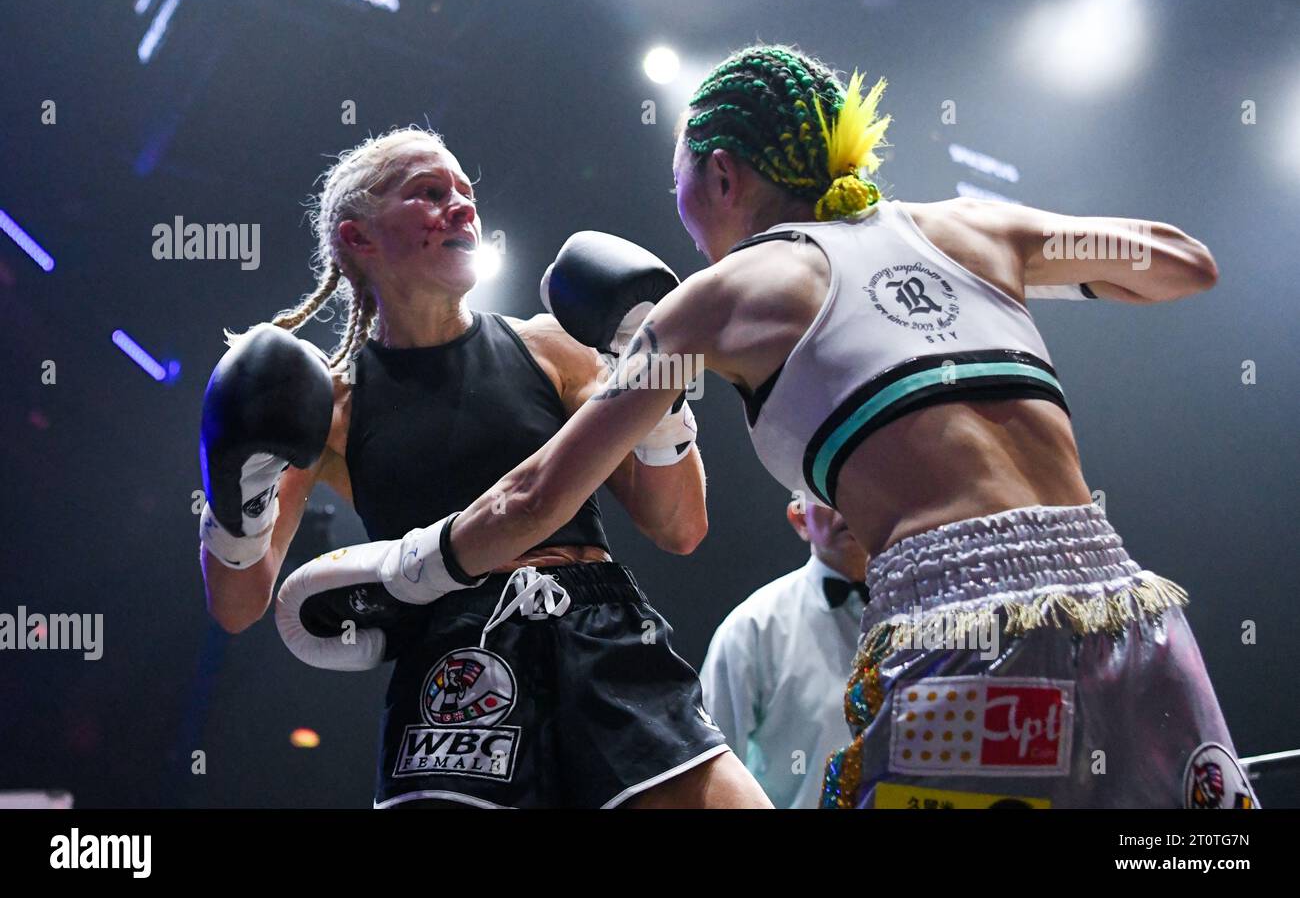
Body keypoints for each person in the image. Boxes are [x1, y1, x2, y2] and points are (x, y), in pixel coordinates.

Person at [283, 45, 1254, 809]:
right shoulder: (967, 227)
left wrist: (403, 569)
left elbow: (537, 493)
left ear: (719, 175)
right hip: (1128, 603)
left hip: (959, 626)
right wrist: (1017, 261)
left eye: (679, 184)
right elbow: (1180, 262)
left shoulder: (712, 301)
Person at [198, 126, 769, 809]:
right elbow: (238, 606)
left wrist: (660, 390)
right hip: (454, 660)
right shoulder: (332, 406)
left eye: (465, 191)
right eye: (429, 192)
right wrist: (238, 490)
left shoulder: (553, 348)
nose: (463, 205)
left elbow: (678, 525)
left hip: (602, 631)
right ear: (358, 237)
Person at [699, 499, 868, 808]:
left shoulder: (924, 614)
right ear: (800, 519)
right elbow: (709, 765)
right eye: (827, 493)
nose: (847, 503)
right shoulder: (753, 626)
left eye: (858, 491)